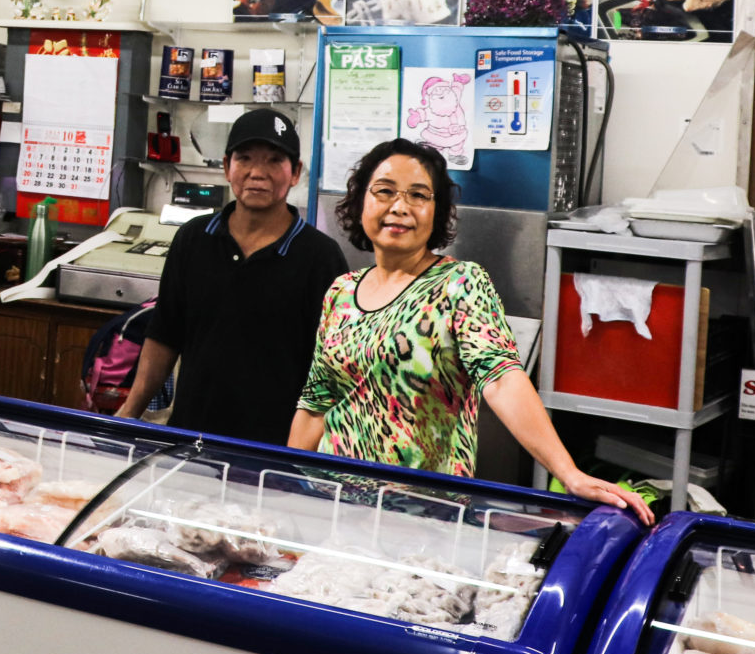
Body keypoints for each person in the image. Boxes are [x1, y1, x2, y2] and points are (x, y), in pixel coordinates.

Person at [290, 138, 651, 524]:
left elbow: (501, 378)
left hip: (421, 514)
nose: (399, 206)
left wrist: (569, 473)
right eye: (384, 191)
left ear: (437, 211)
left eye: (418, 195)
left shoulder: (460, 283)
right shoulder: (342, 292)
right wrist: (290, 487)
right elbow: (316, 404)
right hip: (332, 502)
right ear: (361, 201)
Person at [115, 108, 349, 444]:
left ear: (295, 172)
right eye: (245, 158)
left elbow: (329, 370)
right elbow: (165, 334)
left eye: (274, 160)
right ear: (227, 167)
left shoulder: (320, 256)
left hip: (276, 451)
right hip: (189, 438)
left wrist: (308, 452)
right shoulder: (194, 239)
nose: (257, 172)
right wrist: (129, 414)